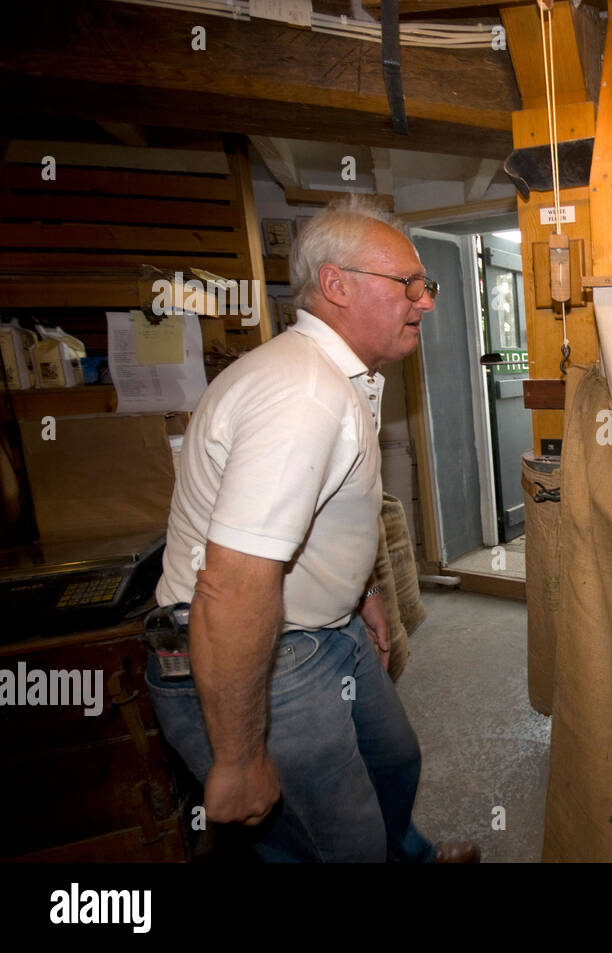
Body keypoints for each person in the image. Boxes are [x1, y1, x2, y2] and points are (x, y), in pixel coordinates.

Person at [147, 197, 478, 863]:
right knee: (337, 841)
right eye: (409, 285)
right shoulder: (303, 393)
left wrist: (359, 596)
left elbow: (325, 516)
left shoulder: (340, 374)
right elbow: (235, 589)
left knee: (395, 762)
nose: (426, 301)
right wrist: (239, 759)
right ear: (337, 285)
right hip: (260, 653)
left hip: (326, 630)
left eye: (427, 285)